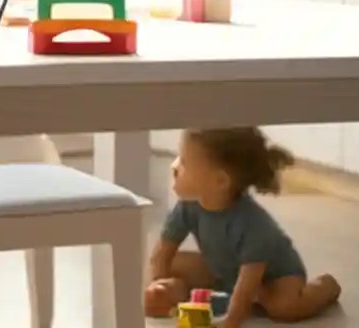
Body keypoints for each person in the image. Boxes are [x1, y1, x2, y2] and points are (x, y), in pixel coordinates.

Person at [144, 128, 342, 326]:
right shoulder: (188, 205)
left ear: (219, 181)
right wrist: (161, 284)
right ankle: (196, 291)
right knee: (174, 265)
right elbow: (163, 253)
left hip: (270, 278)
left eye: (184, 163)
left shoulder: (253, 225)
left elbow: (248, 284)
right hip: (226, 269)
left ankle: (325, 286)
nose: (174, 166)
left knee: (284, 307)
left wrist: (230, 321)